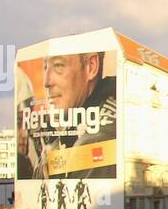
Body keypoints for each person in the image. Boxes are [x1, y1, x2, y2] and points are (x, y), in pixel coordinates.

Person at [17, 51, 118, 180]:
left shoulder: (95, 141)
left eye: (58, 66)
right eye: (45, 67)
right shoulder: (76, 127)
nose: (46, 82)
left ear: (91, 66)